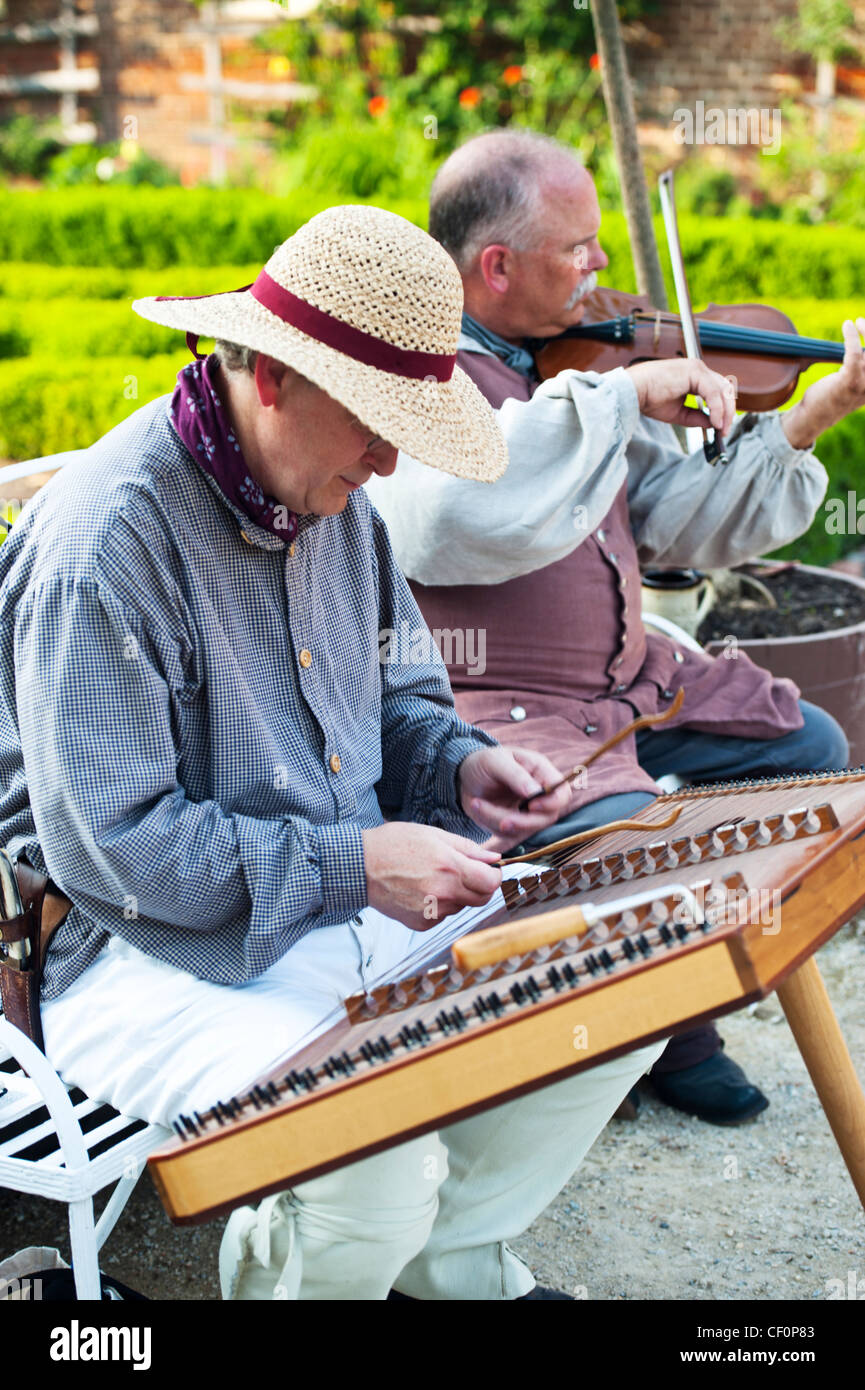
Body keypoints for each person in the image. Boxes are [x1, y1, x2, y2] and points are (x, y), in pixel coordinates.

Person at [0, 204, 681, 1301]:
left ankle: (447, 1271)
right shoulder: (102, 544)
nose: (391, 455)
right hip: (130, 949)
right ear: (270, 376)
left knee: (617, 995)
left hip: (330, 901)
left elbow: (403, 705)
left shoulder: (341, 505)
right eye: (376, 415)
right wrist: (359, 867)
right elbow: (120, 855)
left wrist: (457, 767)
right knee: (375, 1157)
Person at [367, 129, 862, 1126]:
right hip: (497, 714)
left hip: (628, 684)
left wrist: (816, 410)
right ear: (495, 266)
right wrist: (619, 392)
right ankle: (659, 1033)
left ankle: (670, 997)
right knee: (622, 850)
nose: (604, 272)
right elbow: (464, 511)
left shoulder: (572, 368)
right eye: (577, 248)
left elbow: (674, 521)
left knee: (809, 750)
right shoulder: (418, 378)